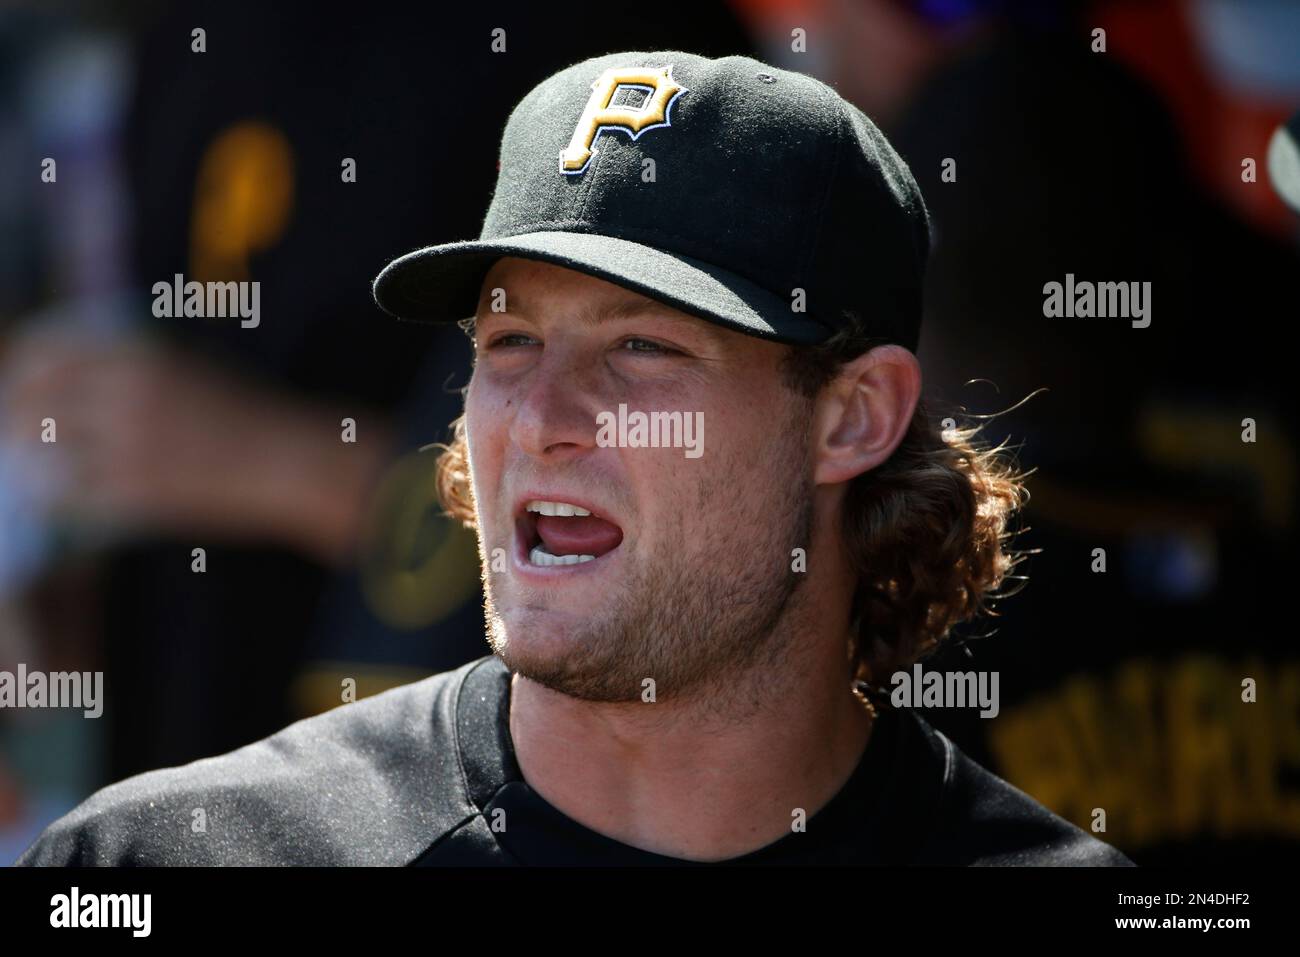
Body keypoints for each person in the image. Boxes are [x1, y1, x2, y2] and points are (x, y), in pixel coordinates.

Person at [16, 50, 1133, 866]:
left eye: (641, 346)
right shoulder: (156, 866)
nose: (540, 414)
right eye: (508, 342)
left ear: (852, 418)